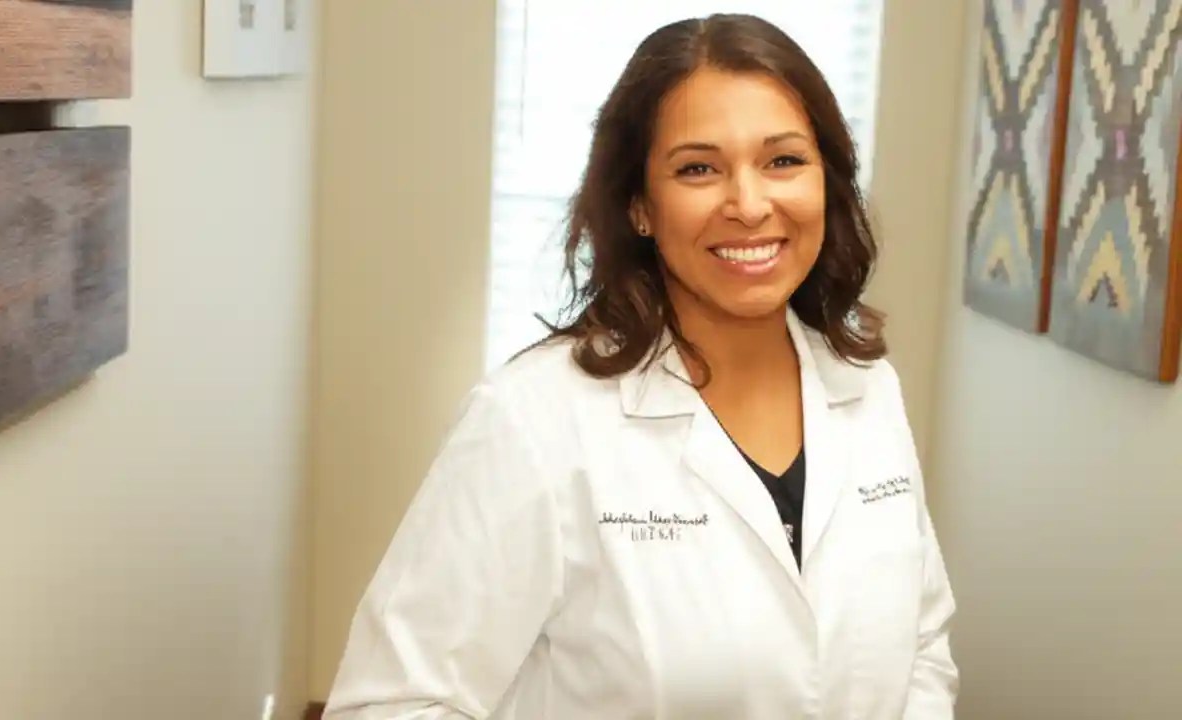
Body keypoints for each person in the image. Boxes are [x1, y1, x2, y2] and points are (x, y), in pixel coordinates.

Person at [323, 13, 958, 719]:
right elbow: (392, 704)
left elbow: (923, 644)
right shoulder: (535, 420)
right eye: (698, 169)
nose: (749, 205)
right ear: (639, 208)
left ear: (827, 182)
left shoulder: (866, 387)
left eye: (783, 160)